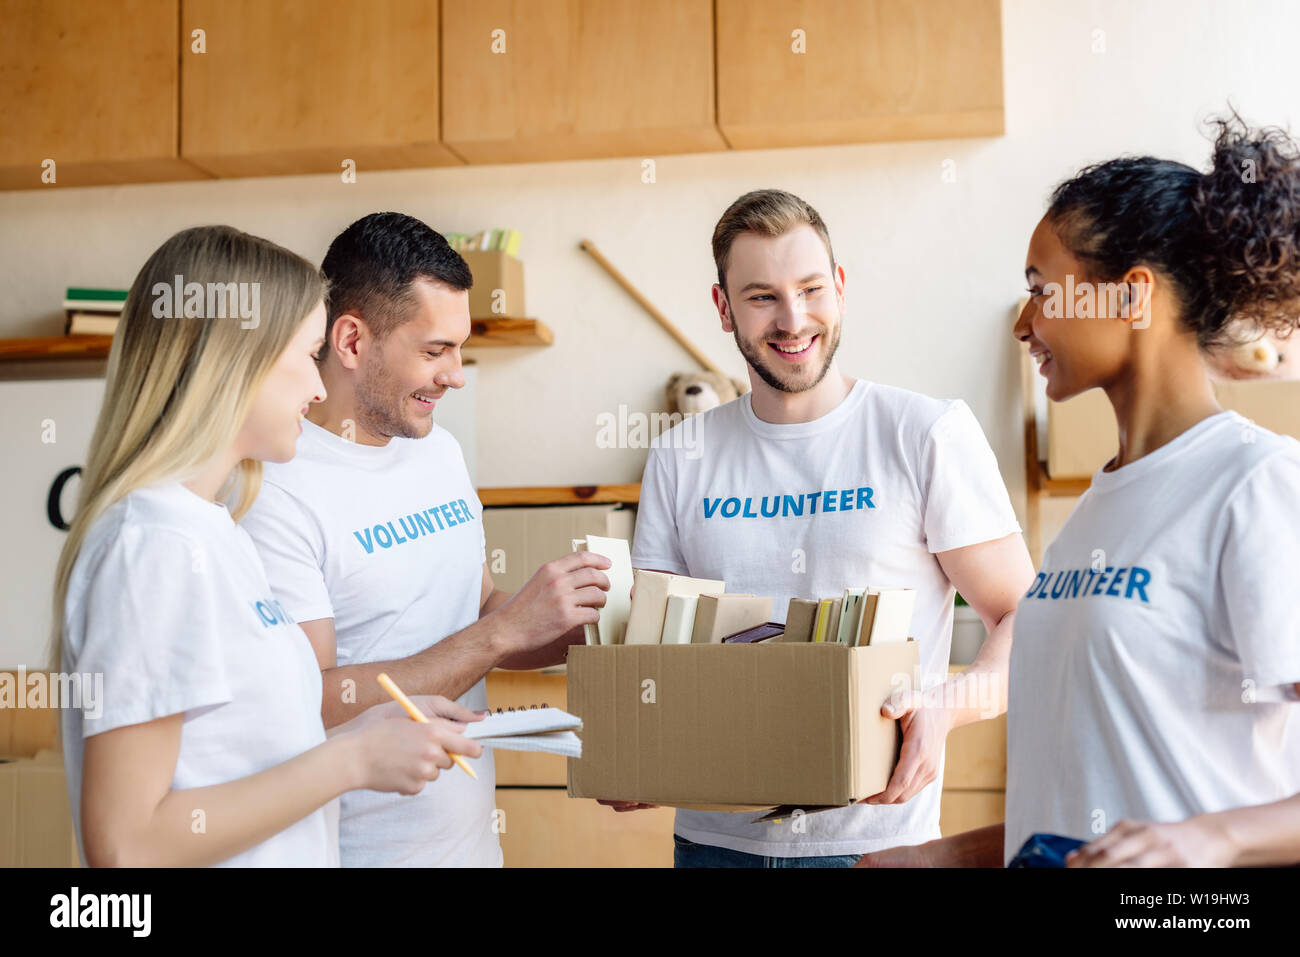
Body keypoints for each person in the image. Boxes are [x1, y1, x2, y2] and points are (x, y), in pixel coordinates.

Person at [859, 113, 1300, 868]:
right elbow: (1084, 806)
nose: (1024, 322)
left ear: (1131, 297)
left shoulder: (1254, 486)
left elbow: (1179, 828)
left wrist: (1211, 838)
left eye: (1041, 290)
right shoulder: (1091, 519)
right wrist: (937, 858)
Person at [605, 189, 1036, 866]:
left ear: (839, 287)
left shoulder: (924, 433)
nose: (793, 318)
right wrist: (634, 739)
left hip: (878, 843)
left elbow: (1027, 618)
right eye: (761, 296)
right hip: (716, 844)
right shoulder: (679, 454)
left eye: (810, 288)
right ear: (723, 308)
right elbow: (658, 649)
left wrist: (947, 707)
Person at [54, 225, 483, 868]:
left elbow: (248, 754)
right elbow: (127, 846)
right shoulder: (151, 547)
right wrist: (352, 759)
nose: (318, 388)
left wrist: (373, 730)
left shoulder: (215, 529)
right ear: (236, 363)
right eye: (309, 355)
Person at [240, 212, 611, 867]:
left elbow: (477, 608)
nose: (457, 374)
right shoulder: (276, 487)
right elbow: (316, 697)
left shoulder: (437, 451)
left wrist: (575, 626)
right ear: (351, 339)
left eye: (460, 348)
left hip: (471, 848)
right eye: (436, 349)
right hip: (358, 852)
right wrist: (499, 633)